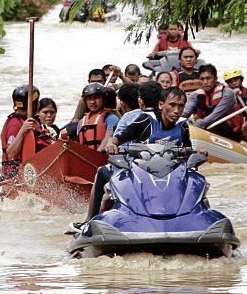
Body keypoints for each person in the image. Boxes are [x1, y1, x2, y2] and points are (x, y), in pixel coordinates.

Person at [70, 85, 191, 232]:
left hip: (171, 176)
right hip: (141, 174)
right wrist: (111, 143)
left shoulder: (183, 126)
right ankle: (89, 222)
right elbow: (119, 137)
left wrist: (198, 154)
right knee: (103, 174)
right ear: (161, 105)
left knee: (198, 187)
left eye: (181, 106)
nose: (176, 111)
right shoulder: (146, 121)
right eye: (172, 105)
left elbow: (188, 151)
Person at [0, 84, 52, 181]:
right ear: (33, 104)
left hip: (32, 171)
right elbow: (11, 153)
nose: (39, 105)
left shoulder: (33, 121)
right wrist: (22, 131)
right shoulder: (14, 124)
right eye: (37, 102)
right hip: (15, 173)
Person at [183, 64, 244, 142]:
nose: (205, 82)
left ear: (215, 79)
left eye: (208, 78)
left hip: (229, 133)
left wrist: (195, 126)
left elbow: (213, 117)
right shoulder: (194, 95)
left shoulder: (228, 93)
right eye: (202, 79)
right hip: (206, 130)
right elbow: (185, 113)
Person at [75, 82, 120, 151]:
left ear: (104, 99)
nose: (92, 102)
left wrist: (97, 153)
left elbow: (109, 137)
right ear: (85, 101)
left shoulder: (111, 118)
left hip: (103, 156)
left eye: (96, 98)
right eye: (89, 99)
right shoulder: (81, 122)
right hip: (86, 158)